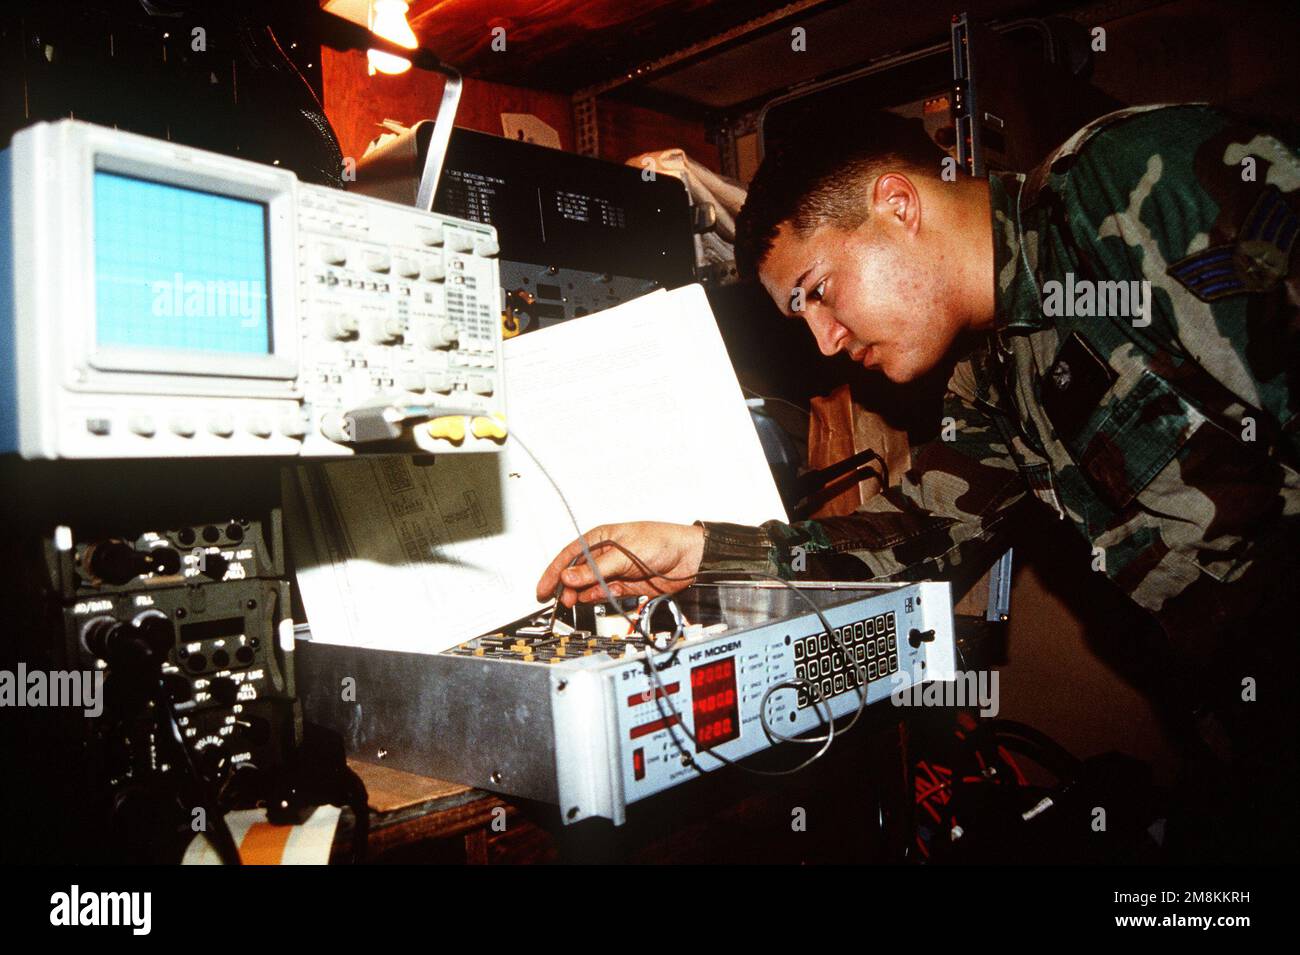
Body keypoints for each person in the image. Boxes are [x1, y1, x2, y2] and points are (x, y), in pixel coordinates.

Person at [535, 105, 1299, 859]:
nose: (826, 340)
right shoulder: (992, 378)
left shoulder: (1126, 181)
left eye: (818, 291)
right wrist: (703, 552)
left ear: (897, 206)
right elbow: (907, 539)